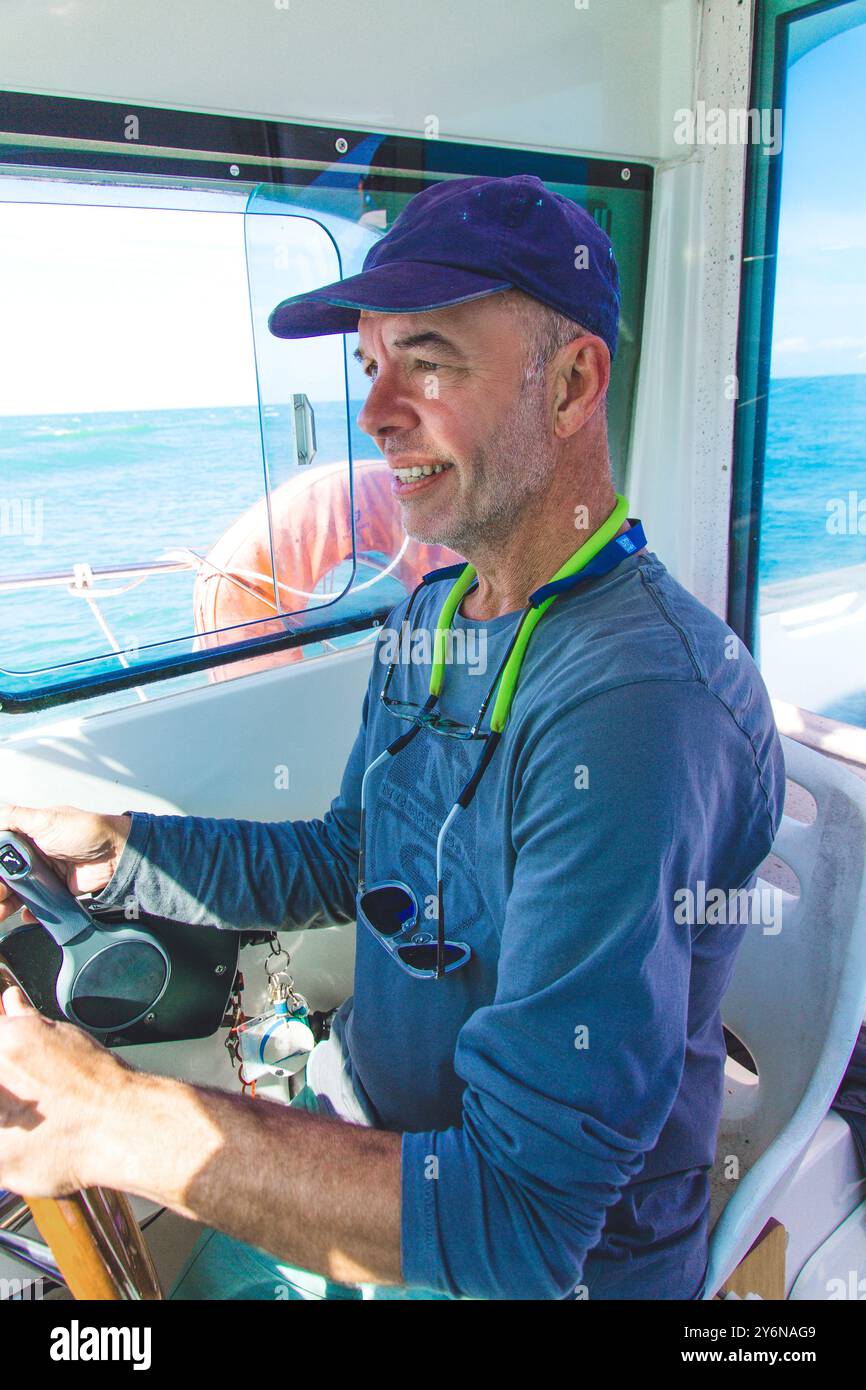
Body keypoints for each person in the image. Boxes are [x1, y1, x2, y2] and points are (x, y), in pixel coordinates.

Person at [0, 175, 785, 1300]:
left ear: (570, 382)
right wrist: (115, 851)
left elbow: (518, 1224)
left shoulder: (639, 706)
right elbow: (349, 856)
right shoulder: (433, 614)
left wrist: (112, 1119)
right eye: (370, 367)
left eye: (427, 360)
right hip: (369, 1141)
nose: (374, 412)